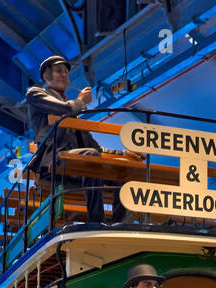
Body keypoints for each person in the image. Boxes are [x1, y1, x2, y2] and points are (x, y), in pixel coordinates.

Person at [26, 56, 141, 225]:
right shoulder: (35, 94)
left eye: (66, 72)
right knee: (90, 157)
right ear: (46, 76)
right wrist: (81, 101)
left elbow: (98, 149)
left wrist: (124, 154)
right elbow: (63, 108)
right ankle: (97, 222)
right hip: (53, 166)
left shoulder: (74, 116)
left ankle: (120, 224)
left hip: (78, 168)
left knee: (124, 173)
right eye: (59, 71)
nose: (64, 75)